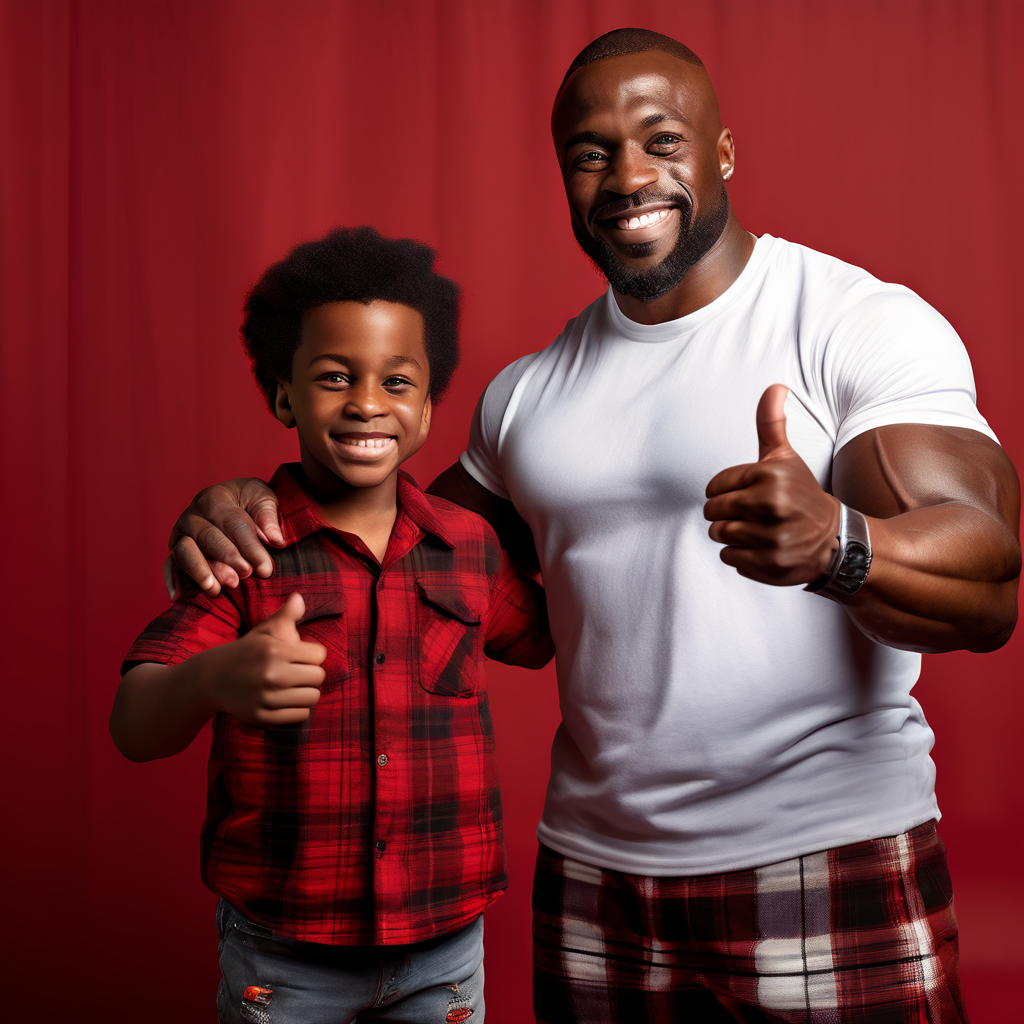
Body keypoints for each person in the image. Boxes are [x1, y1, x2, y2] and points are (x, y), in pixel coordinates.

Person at [163, 29, 1020, 1024]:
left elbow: (988, 579)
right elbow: (381, 548)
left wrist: (838, 543)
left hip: (820, 847)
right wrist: (237, 508)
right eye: (590, 153)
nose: (626, 177)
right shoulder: (529, 396)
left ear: (722, 151)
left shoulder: (850, 322)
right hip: (593, 878)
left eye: (661, 141)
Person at [110, 227, 553, 1024]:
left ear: (426, 406)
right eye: (335, 377)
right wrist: (217, 678)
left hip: (444, 950)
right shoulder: (248, 547)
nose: (367, 402)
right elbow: (134, 723)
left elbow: (554, 635)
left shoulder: (470, 548)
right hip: (284, 953)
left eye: (397, 380)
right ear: (284, 395)